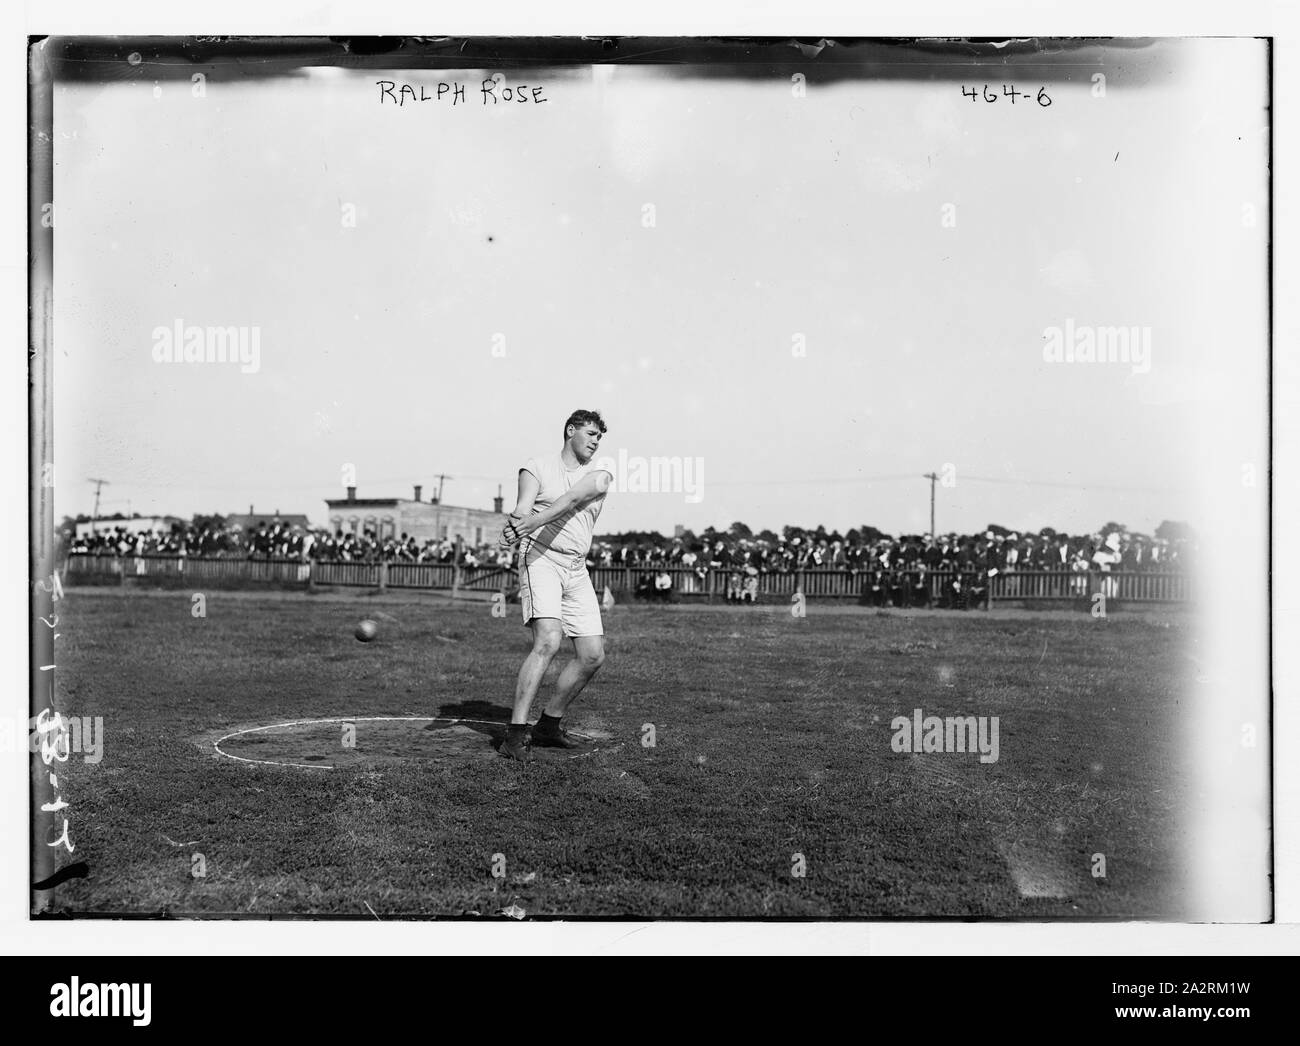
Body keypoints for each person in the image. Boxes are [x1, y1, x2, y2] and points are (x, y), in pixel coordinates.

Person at [495, 410, 613, 762]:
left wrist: (528, 523)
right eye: (590, 433)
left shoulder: (600, 476)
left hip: (576, 568)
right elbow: (522, 508)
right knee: (548, 640)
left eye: (599, 437)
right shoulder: (536, 467)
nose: (595, 441)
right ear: (570, 430)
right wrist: (516, 523)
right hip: (541, 559)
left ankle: (548, 724)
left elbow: (569, 502)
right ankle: (514, 735)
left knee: (592, 656)